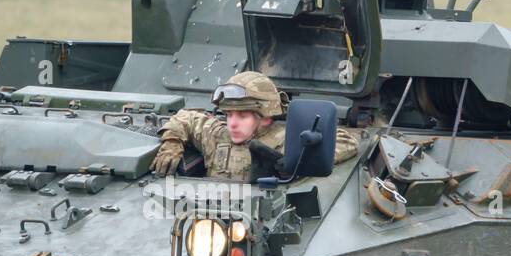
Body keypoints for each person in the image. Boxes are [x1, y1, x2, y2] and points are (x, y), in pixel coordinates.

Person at [150, 71, 358, 182]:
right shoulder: (216, 135)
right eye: (228, 114)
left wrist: (297, 158)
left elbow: (347, 141)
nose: (232, 123)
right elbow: (185, 118)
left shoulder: (287, 138)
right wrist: (171, 143)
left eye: (242, 116)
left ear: (265, 117)